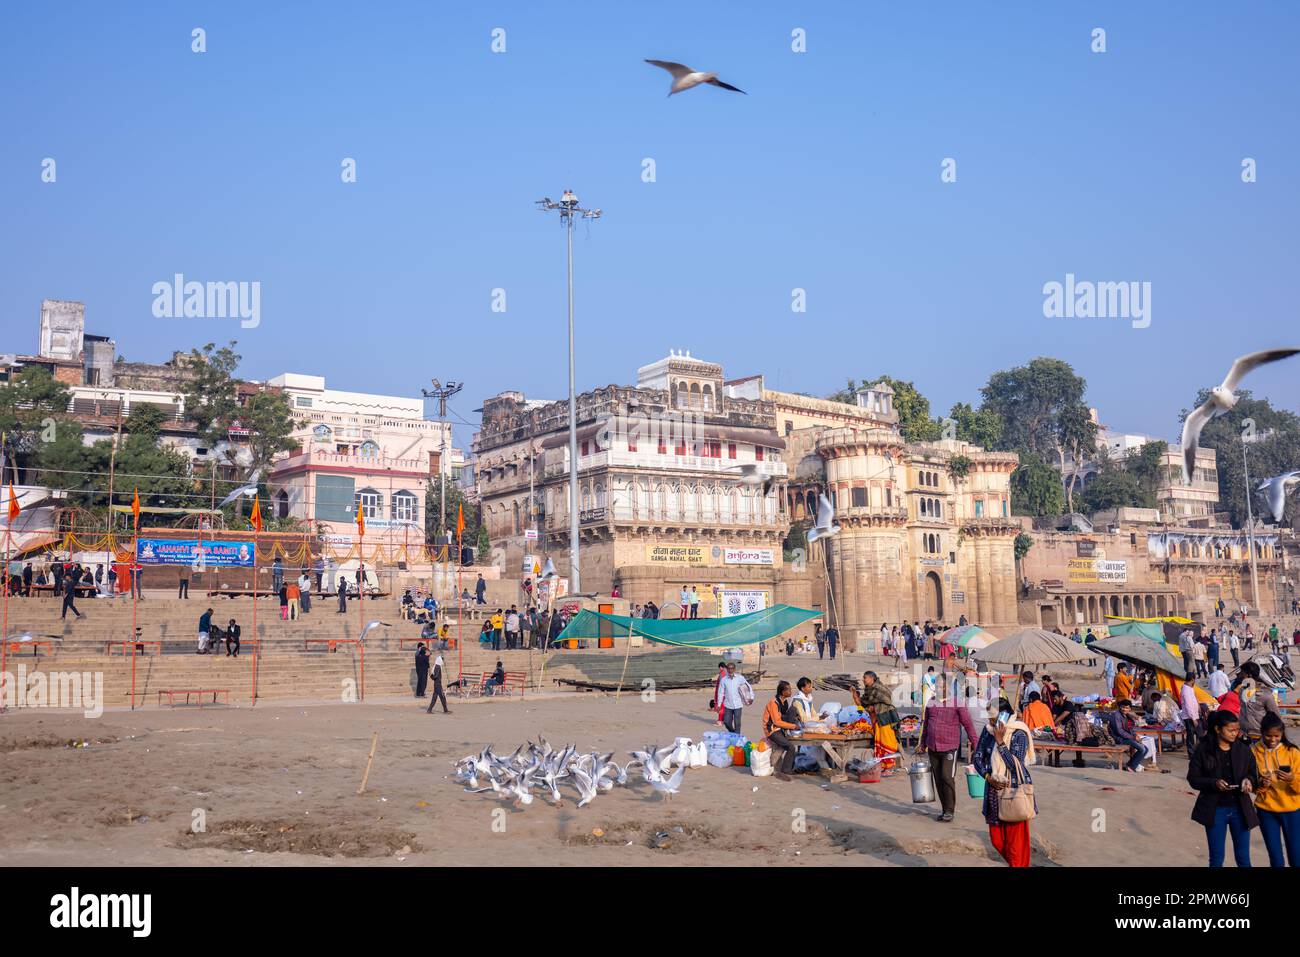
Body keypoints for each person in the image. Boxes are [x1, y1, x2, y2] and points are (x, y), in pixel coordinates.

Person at [1188, 709, 1259, 868]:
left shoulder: (1243, 749)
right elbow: (1193, 778)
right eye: (1231, 730)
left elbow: (1253, 773)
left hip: (1240, 808)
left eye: (1237, 730)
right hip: (1215, 810)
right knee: (1216, 859)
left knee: (1243, 859)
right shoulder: (1203, 750)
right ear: (1218, 729)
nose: (1235, 734)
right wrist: (1213, 783)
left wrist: (1249, 781)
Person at [972, 702, 1036, 867]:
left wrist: (1000, 743)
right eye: (990, 719)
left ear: (1004, 716)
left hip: (1014, 793)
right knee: (997, 840)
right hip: (993, 792)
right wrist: (987, 776)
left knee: (1016, 845)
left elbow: (1016, 765)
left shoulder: (1019, 733)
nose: (992, 722)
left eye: (994, 718)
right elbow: (977, 757)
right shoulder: (988, 732)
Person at [920, 672, 980, 822]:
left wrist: (976, 744)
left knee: (947, 777)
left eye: (942, 685)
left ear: (948, 686)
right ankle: (944, 809)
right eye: (937, 685)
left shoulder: (957, 703)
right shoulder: (931, 703)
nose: (939, 688)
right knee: (938, 778)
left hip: (949, 747)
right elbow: (926, 725)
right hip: (932, 747)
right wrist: (922, 743)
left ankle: (950, 810)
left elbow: (968, 725)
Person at [1252, 713, 1300, 867]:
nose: (1272, 740)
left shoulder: (1293, 752)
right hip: (1266, 810)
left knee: (1296, 855)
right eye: (1268, 736)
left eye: (1276, 736)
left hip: (1292, 810)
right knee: (1276, 858)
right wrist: (1262, 784)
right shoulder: (1253, 752)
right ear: (1262, 733)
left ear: (1282, 734)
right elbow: (1252, 786)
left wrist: (1292, 779)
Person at [760, 681, 801, 781]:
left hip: (779, 728)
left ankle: (784, 768)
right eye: (789, 689)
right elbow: (777, 722)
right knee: (790, 747)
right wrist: (792, 726)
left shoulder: (784, 701)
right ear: (783, 692)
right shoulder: (774, 702)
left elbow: (784, 716)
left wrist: (795, 717)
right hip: (772, 730)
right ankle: (786, 770)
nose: (791, 691)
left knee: (793, 709)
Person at [1103, 699, 1147, 773]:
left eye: (1127, 708)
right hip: (1118, 738)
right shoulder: (1116, 715)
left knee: (1146, 748)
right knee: (1142, 749)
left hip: (1127, 737)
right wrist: (1133, 737)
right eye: (1123, 707)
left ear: (1129, 709)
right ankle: (1132, 767)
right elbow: (1119, 731)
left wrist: (1136, 736)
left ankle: (1130, 764)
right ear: (1120, 707)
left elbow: (1130, 729)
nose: (1124, 709)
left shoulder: (1127, 715)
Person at [717, 660, 753, 734]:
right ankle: (733, 733)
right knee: (726, 722)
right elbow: (720, 692)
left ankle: (737, 740)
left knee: (737, 723)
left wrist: (751, 697)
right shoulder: (724, 680)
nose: (730, 670)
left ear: (734, 669)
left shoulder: (740, 678)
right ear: (727, 669)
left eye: (732, 668)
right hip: (728, 705)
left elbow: (748, 687)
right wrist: (719, 704)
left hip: (738, 705)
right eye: (729, 668)